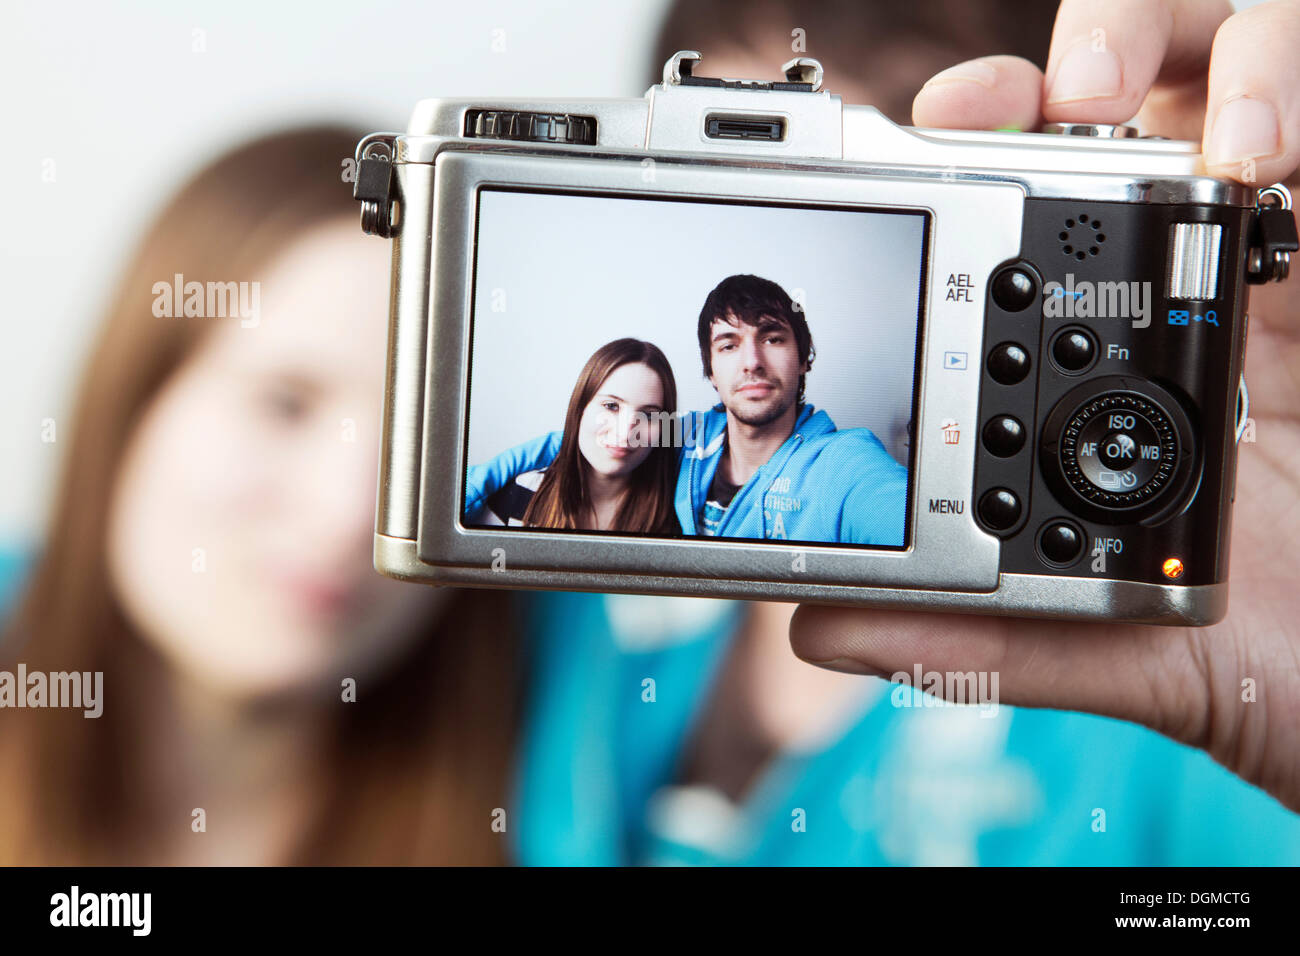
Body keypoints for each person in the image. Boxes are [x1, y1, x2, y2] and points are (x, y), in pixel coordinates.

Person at [506, 0, 1300, 865]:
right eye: (741, 154)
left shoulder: (1153, 666)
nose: (829, 204)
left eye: (902, 138)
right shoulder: (581, 597)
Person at [0, 128, 520, 864]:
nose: (347, 515)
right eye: (284, 403)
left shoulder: (568, 816)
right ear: (129, 406)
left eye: (426, 445)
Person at [468, 274, 910, 545]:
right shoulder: (691, 435)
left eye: (773, 338)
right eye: (729, 345)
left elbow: (906, 525)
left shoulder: (844, 465)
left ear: (805, 356)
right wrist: (459, 494)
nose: (752, 361)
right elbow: (585, 439)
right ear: (711, 371)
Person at [471, 338, 680, 533]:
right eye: (611, 406)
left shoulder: (683, 514)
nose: (625, 433)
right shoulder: (519, 495)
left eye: (647, 415)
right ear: (579, 409)